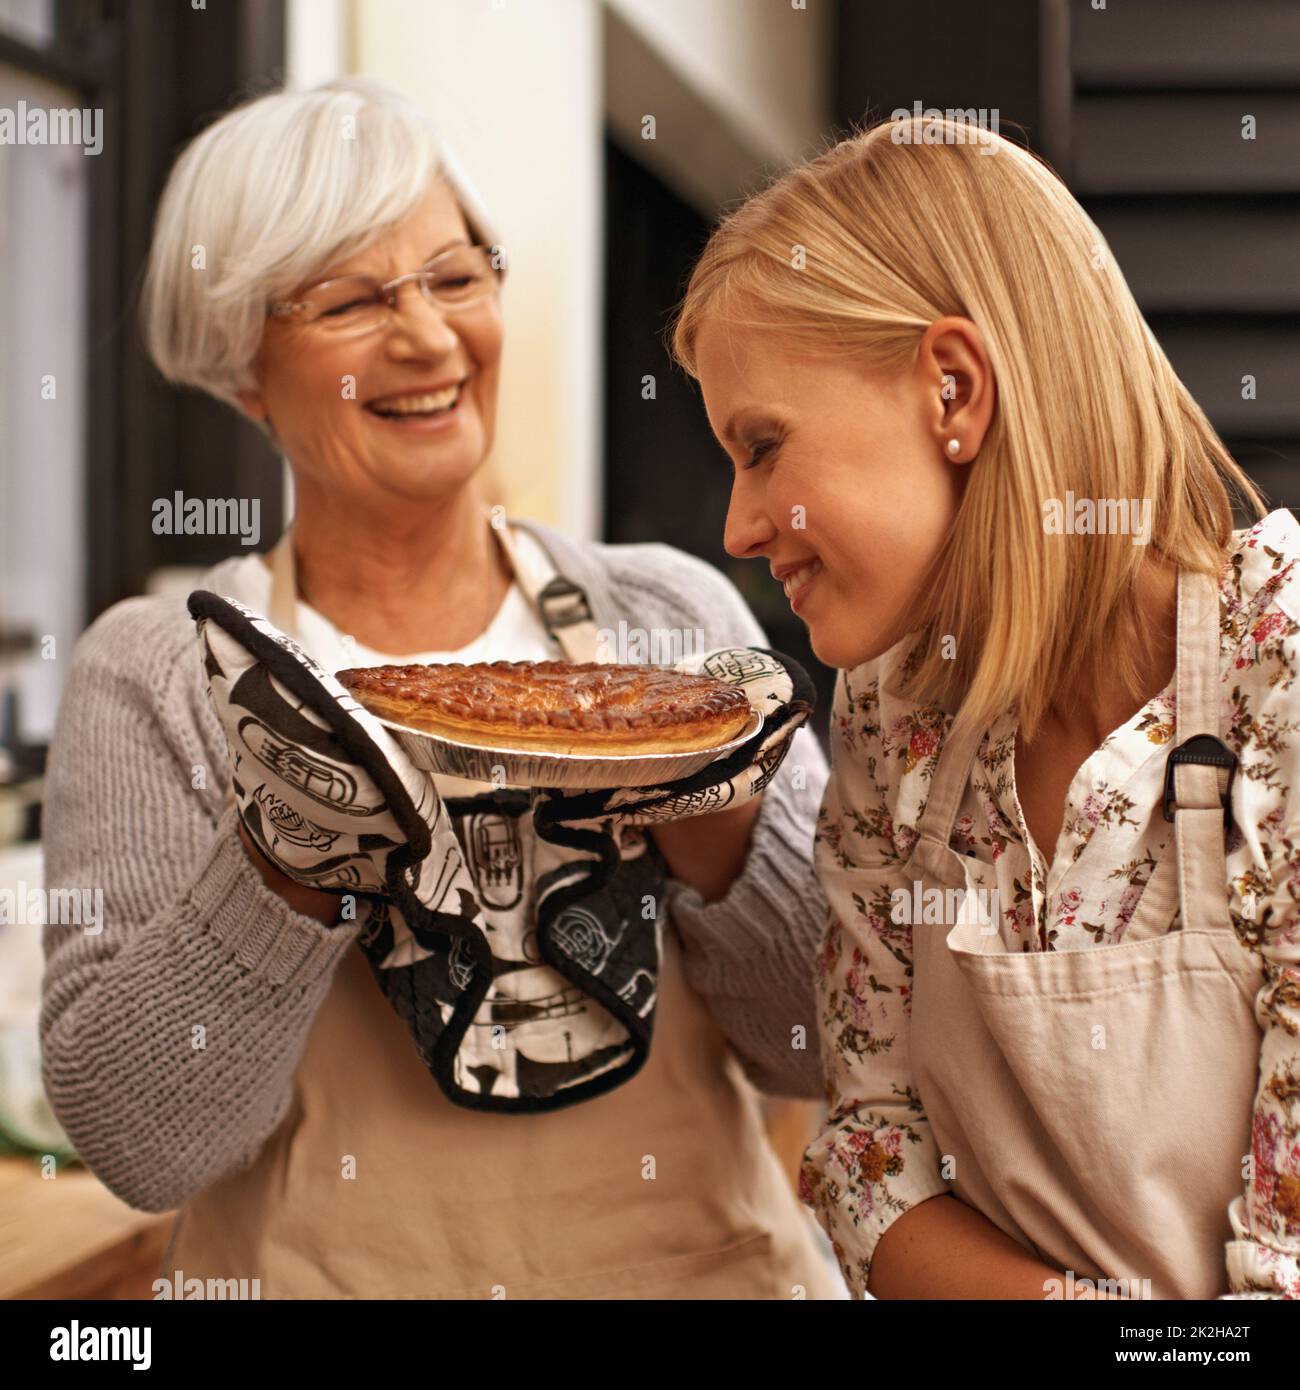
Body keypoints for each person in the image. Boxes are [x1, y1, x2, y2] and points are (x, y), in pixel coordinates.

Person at [39, 77, 842, 1299]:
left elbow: (823, 1039)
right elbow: (139, 1143)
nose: (426, 338)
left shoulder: (664, 620)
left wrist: (711, 809)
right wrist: (290, 859)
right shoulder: (162, 670)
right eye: (352, 301)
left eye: (457, 278)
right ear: (243, 368)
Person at [669, 114, 1300, 1300]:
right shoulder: (889, 710)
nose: (738, 529)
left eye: (763, 447)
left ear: (952, 390)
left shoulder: (1283, 668)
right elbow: (862, 1162)